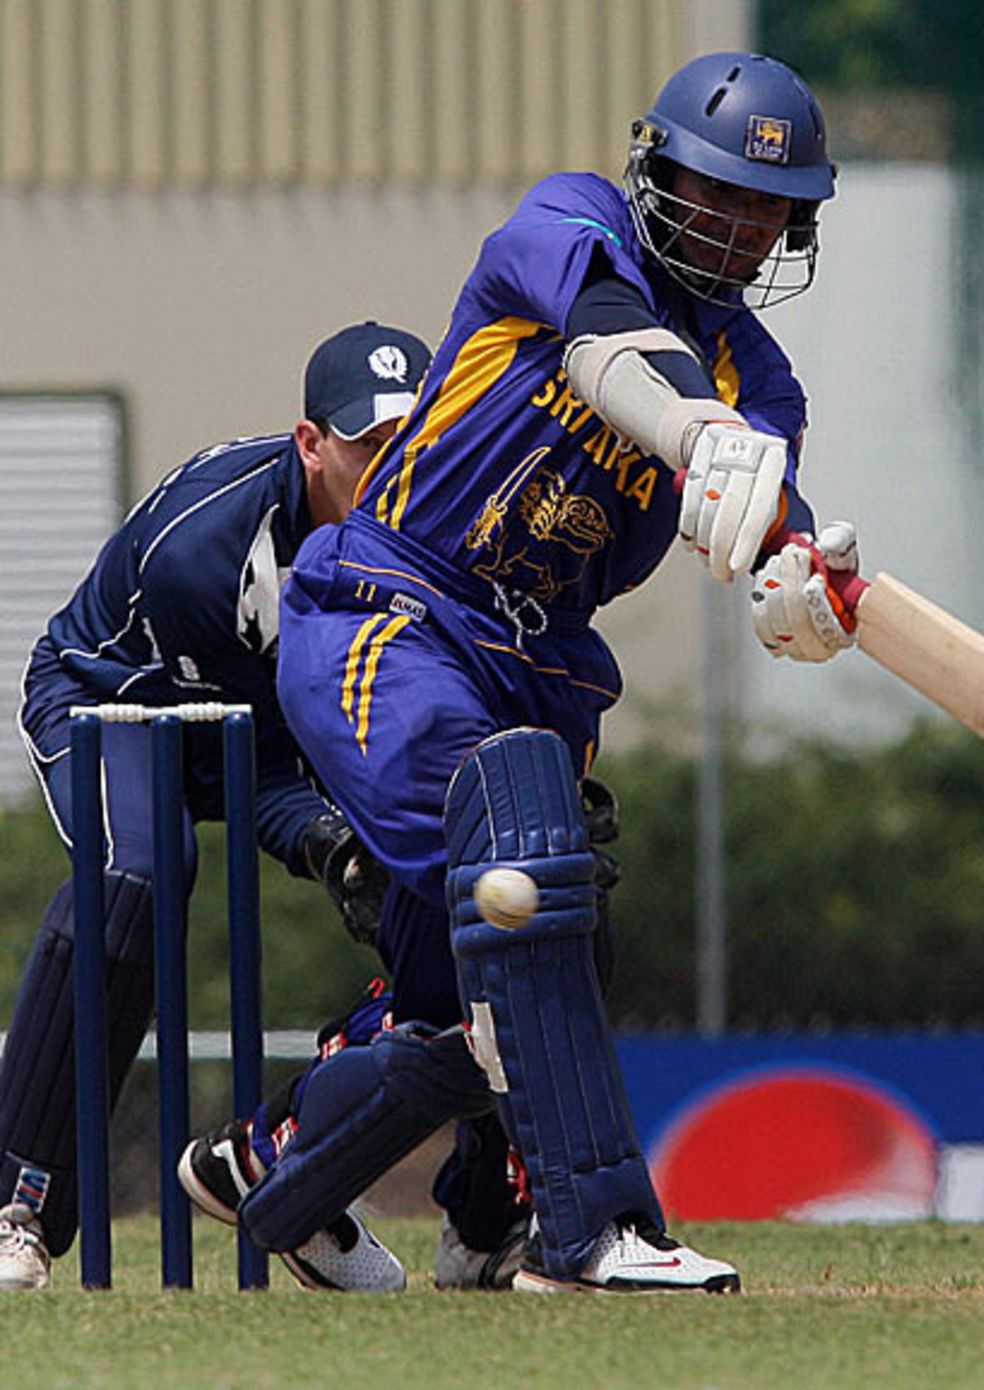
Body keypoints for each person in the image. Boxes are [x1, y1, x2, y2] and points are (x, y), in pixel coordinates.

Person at [185, 49, 860, 1293]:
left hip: (541, 662)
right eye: (716, 193)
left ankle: (299, 1166)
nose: (739, 225)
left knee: (532, 949)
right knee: (522, 882)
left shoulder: (759, 382)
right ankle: (596, 1230)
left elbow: (775, 517)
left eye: (767, 208)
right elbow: (607, 345)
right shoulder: (569, 221)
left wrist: (801, 581)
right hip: (394, 609)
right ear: (657, 173)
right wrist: (696, 434)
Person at [0, 321, 432, 1293]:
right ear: (311, 443)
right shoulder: (212, 551)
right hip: (108, 697)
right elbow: (237, 759)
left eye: (412, 445)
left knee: (442, 882)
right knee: (140, 875)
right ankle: (15, 1201)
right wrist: (321, 832)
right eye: (369, 448)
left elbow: (309, 747)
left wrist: (348, 849)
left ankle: (320, 1188)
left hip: (255, 721)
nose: (392, 471)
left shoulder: (432, 529)